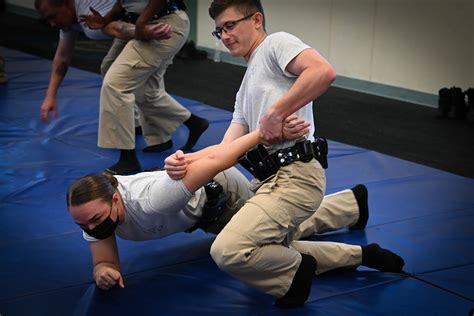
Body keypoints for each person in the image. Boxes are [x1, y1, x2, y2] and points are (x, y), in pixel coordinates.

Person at [166, 0, 405, 308]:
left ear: (256, 20)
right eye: (218, 31)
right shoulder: (245, 86)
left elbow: (323, 71)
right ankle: (362, 254)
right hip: (268, 183)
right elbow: (227, 151)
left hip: (295, 178)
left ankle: (294, 275)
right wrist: (185, 161)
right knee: (275, 248)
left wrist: (276, 112)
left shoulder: (276, 44)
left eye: (230, 26)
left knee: (227, 249)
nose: (224, 36)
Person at [67, 117, 309, 290]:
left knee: (282, 238)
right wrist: (103, 273)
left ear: (117, 199)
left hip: (224, 192)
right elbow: (104, 262)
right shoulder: (92, 212)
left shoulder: (153, 201)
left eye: (95, 220)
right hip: (201, 211)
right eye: (82, 225)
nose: (91, 229)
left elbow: (217, 159)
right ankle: (348, 202)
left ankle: (347, 255)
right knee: (285, 224)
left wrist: (265, 133)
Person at [79, 0, 209, 175]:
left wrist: (141, 24)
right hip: (141, 24)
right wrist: (105, 20)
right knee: (136, 85)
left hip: (163, 25)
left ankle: (128, 159)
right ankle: (175, 131)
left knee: (116, 84)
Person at [34, 0, 171, 132]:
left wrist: (147, 31)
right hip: (139, 31)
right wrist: (50, 96)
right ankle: (135, 124)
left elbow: (120, 28)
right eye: (47, 21)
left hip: (160, 28)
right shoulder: (68, 19)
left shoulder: (88, 10)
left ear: (66, 3)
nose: (52, 24)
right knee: (111, 69)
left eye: (53, 17)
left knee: (141, 83)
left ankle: (181, 123)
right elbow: (63, 57)